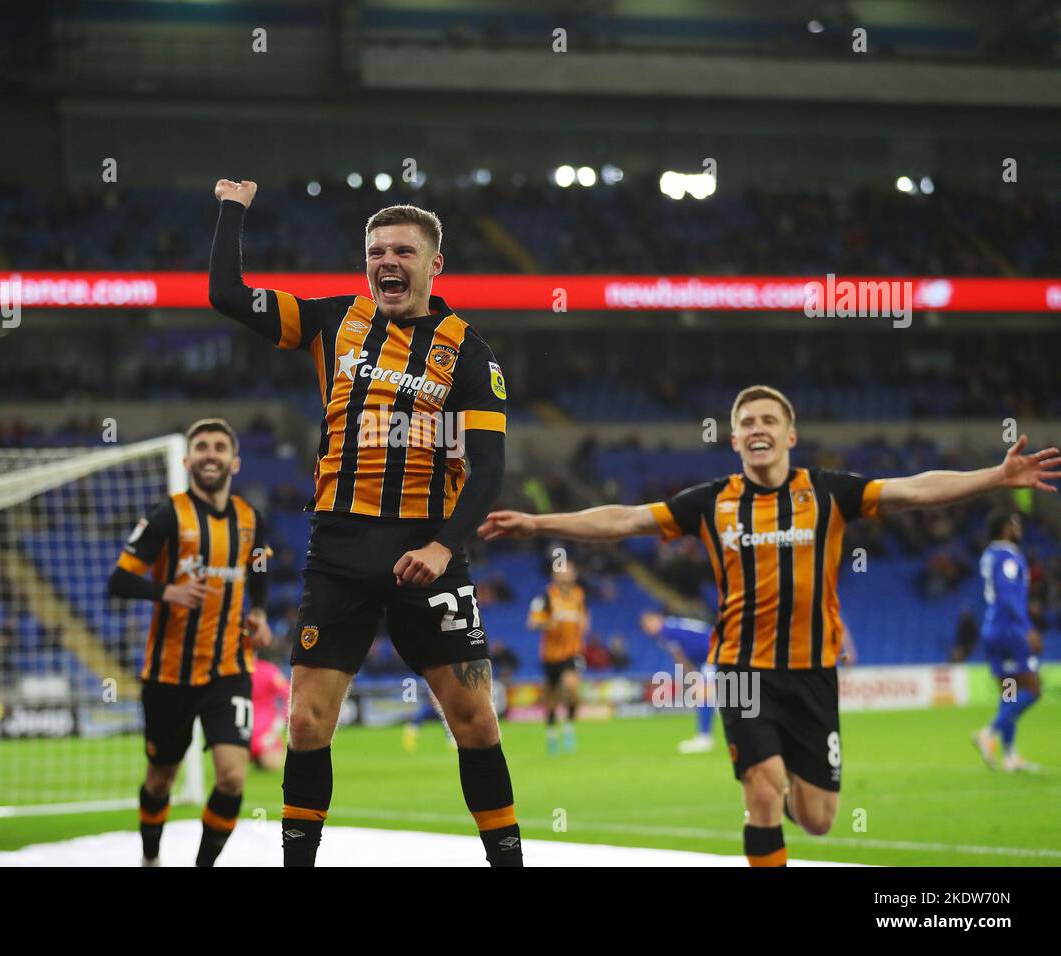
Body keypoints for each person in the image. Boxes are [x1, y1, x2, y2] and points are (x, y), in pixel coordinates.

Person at [482, 384, 1059, 866]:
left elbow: (915, 490)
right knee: (761, 789)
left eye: (769, 420)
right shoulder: (710, 502)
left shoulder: (829, 493)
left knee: (818, 819)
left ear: (790, 435)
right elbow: (623, 519)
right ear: (734, 440)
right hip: (741, 670)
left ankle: (791, 794)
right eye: (747, 422)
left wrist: (993, 477)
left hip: (812, 673)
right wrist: (539, 523)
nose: (758, 428)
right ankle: (767, 791)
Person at [209, 179, 521, 866]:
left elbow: (489, 470)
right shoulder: (331, 321)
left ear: (434, 264)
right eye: (376, 250)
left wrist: (444, 547)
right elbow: (227, 296)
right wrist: (233, 209)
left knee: (474, 721)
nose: (388, 260)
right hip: (340, 550)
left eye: (404, 250)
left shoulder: (468, 351)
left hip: (427, 552)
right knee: (305, 722)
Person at [108, 419, 274, 867]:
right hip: (168, 673)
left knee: (233, 779)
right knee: (161, 778)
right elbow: (119, 579)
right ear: (187, 461)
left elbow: (258, 573)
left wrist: (257, 615)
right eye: (201, 446)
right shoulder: (166, 516)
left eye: (220, 446)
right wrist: (168, 591)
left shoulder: (250, 518)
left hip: (229, 669)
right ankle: (150, 858)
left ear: (234, 461)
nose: (210, 453)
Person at [972, 512, 1042, 772]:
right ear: (1004, 529)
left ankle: (1010, 754)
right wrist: (1027, 629)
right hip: (1010, 630)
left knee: (1009, 692)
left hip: (992, 629)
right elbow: (1008, 594)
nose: (1019, 528)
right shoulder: (1009, 556)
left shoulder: (989, 555)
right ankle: (989, 732)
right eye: (1015, 524)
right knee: (1034, 689)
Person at [527, 561, 589, 754]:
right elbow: (532, 623)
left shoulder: (579, 595)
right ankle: (552, 732)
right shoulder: (546, 597)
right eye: (563, 571)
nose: (567, 574)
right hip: (550, 655)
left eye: (570, 570)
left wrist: (584, 628)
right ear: (555, 575)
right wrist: (547, 623)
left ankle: (569, 728)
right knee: (552, 696)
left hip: (572, 652)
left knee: (571, 687)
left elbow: (584, 615)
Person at [640, 610, 716, 753]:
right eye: (645, 627)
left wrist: (692, 676)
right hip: (711, 651)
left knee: (704, 693)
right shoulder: (673, 624)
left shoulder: (666, 632)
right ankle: (705, 736)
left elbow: (680, 656)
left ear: (657, 618)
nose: (647, 629)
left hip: (714, 652)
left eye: (648, 624)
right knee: (708, 693)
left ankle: (705, 737)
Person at [250, 656, 290, 772]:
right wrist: (281, 721)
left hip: (250, 728)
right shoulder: (269, 671)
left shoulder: (263, 671)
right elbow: (288, 694)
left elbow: (288, 694)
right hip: (261, 731)